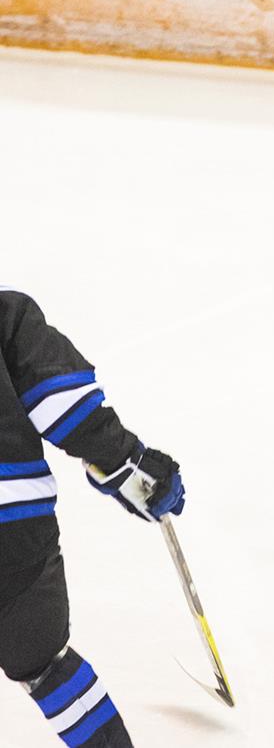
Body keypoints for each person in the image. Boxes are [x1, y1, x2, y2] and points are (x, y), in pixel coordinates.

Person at [0, 287, 186, 747]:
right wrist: (129, 468)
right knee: (46, 666)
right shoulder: (6, 314)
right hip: (14, 531)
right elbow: (62, 401)